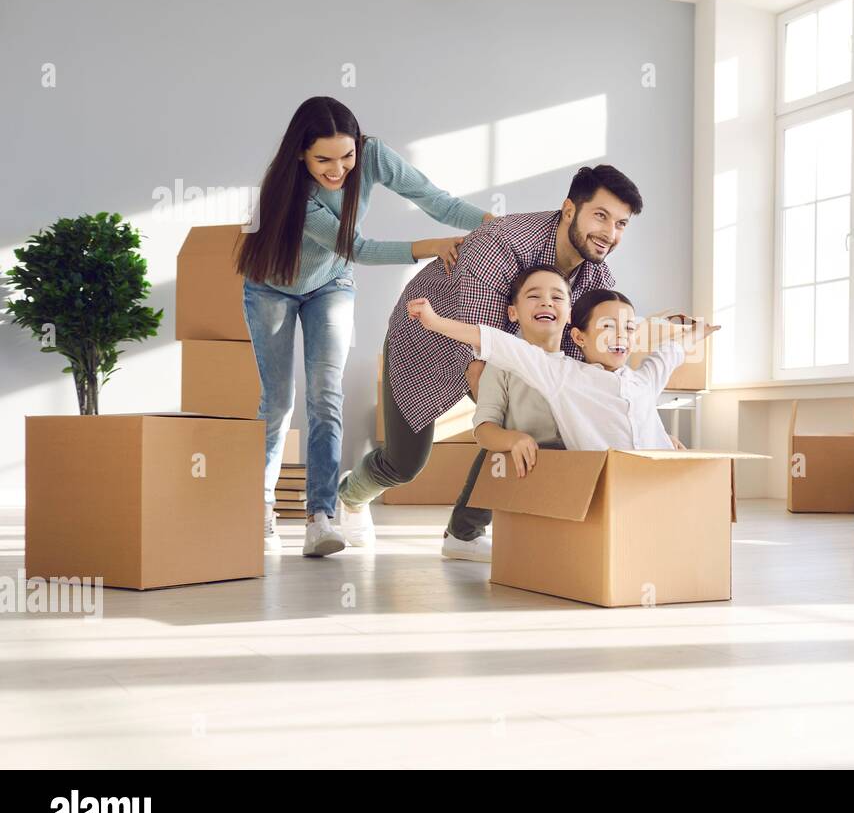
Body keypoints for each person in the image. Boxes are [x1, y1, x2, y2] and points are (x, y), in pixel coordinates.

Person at [336, 165, 643, 559]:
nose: (609, 234)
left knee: (530, 421)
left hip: (505, 352)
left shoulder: (598, 276)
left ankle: (463, 534)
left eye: (621, 224)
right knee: (403, 463)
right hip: (429, 340)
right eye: (600, 216)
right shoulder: (498, 244)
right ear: (570, 209)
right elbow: (478, 352)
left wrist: (643, 427)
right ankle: (351, 493)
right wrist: (506, 425)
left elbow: (594, 359)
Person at [237, 96, 490, 557]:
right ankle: (260, 510)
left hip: (331, 283)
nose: (339, 170)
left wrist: (496, 225)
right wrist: (427, 246)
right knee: (278, 402)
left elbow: (434, 199)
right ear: (300, 154)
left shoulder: (373, 157)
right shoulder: (294, 194)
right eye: (324, 160)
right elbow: (356, 246)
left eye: (347, 156)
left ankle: (320, 519)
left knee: (325, 395)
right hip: (272, 287)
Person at [404, 288, 719, 452]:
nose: (621, 335)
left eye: (628, 328)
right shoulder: (564, 377)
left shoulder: (642, 381)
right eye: (609, 326)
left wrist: (697, 333)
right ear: (579, 337)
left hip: (663, 479)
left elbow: (668, 353)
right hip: (613, 485)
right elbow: (501, 345)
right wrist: (435, 322)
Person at [442, 264, 572, 560]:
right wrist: (512, 439)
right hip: (516, 456)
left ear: (570, 314)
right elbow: (484, 429)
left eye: (557, 297)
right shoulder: (501, 364)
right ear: (513, 313)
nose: (546, 302)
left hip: (565, 461)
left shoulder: (579, 368)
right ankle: (463, 533)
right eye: (534, 296)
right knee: (493, 455)